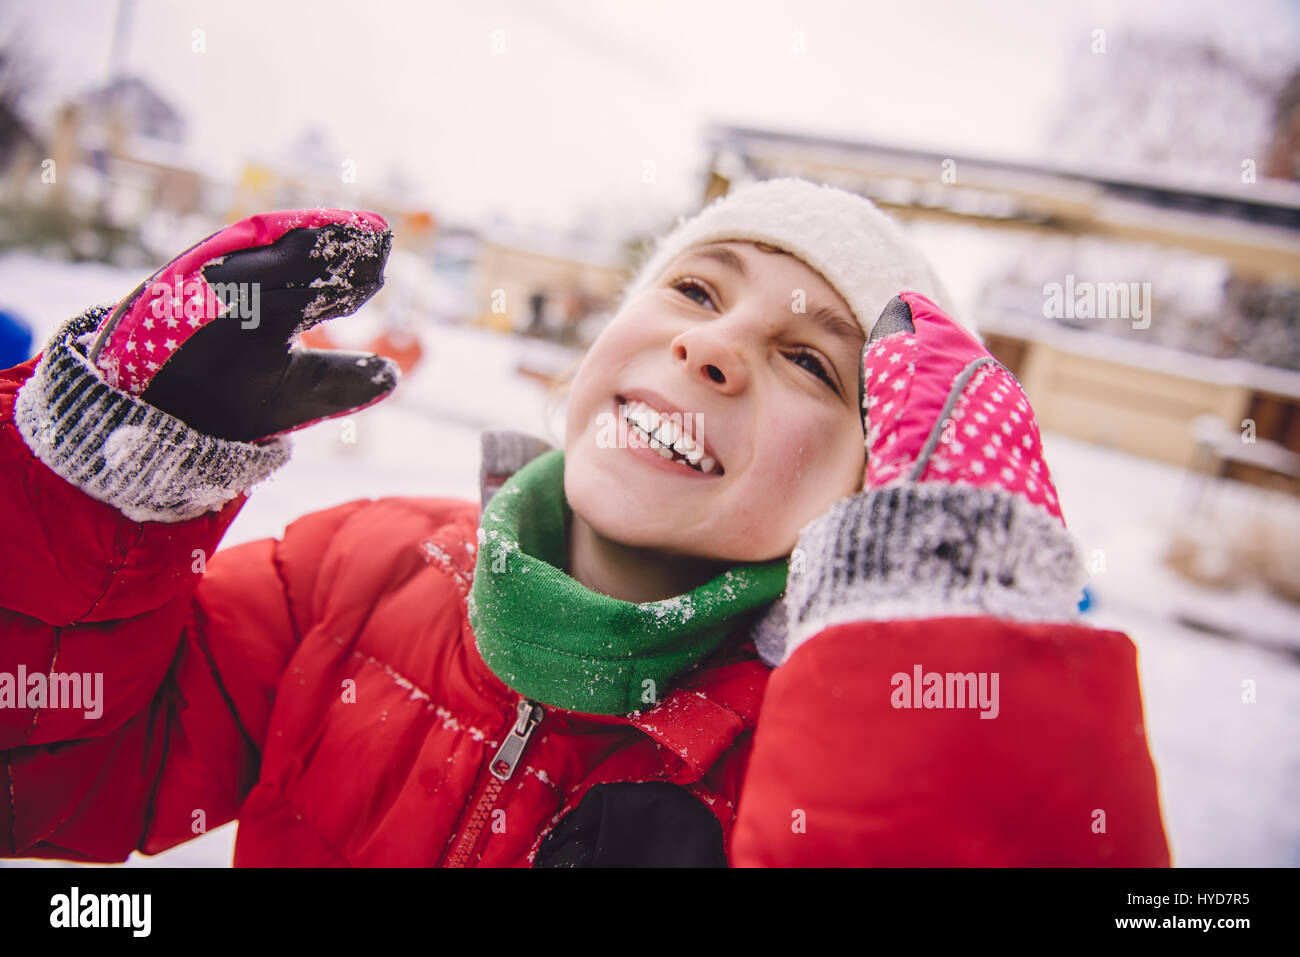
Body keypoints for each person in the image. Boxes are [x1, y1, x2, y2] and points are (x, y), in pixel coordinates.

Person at [0, 179, 1170, 867]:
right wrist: (106, 477)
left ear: (870, 494)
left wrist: (955, 659)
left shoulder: (818, 766)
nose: (710, 347)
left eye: (809, 360)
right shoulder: (348, 572)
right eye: (696, 291)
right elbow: (54, 780)